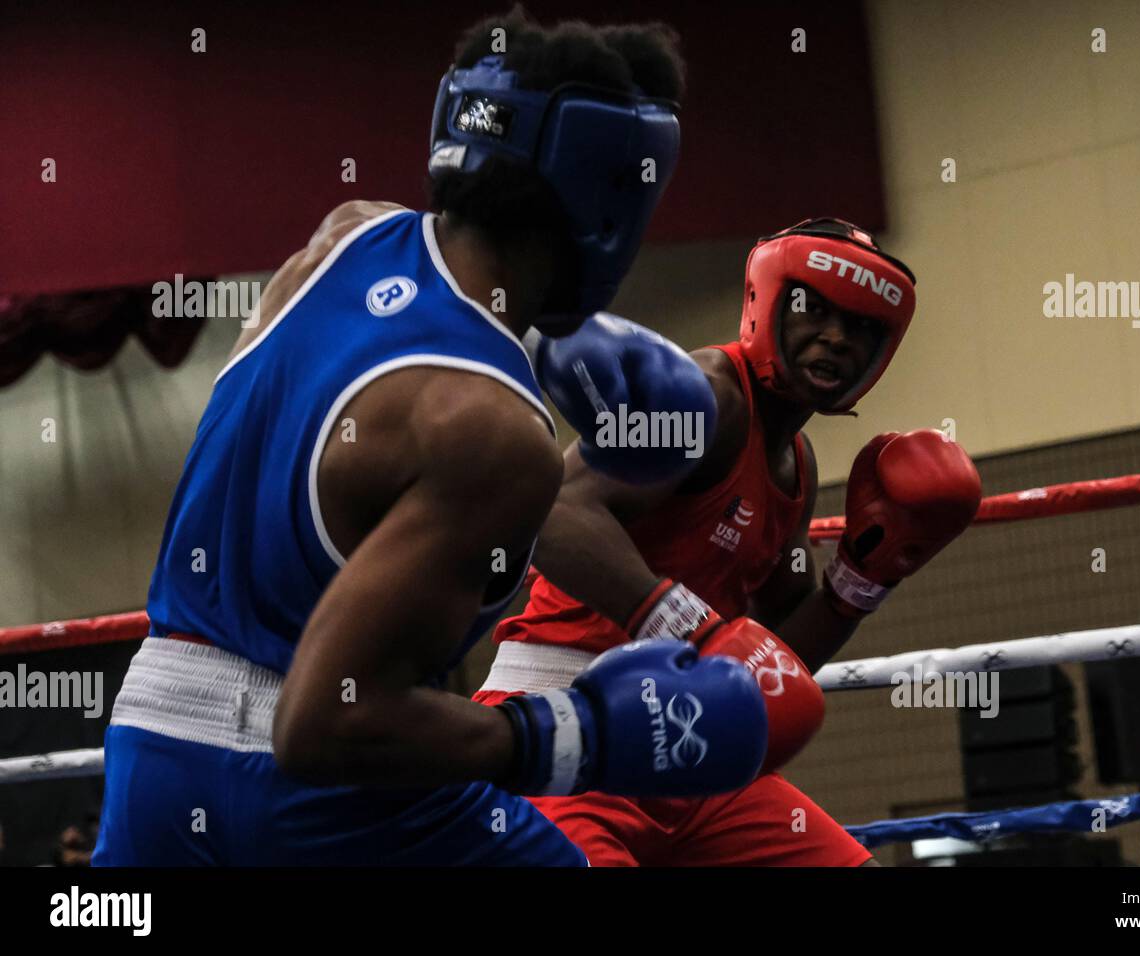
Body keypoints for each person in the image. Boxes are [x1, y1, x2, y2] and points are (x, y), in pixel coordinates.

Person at [92, 11, 773, 867]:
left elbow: (400, 338)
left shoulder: (344, 237)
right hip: (314, 785)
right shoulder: (497, 436)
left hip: (149, 756)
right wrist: (577, 733)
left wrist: (546, 340)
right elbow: (325, 721)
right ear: (608, 202)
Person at [476, 217, 984, 866]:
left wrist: (865, 578)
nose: (836, 338)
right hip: (565, 720)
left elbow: (773, 664)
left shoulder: (797, 464)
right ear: (768, 303)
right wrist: (690, 626)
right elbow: (554, 512)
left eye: (861, 327)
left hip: (688, 741)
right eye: (815, 310)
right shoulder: (707, 395)